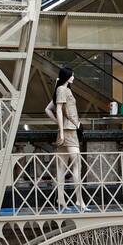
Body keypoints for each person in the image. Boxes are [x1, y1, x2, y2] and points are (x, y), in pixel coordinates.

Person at [44, 67, 85, 210]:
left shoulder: (62, 89)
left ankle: (61, 200)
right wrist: (61, 130)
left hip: (66, 130)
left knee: (61, 168)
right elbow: (59, 110)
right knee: (76, 165)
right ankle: (79, 201)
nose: (73, 77)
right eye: (72, 75)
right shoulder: (62, 89)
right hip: (69, 131)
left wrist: (58, 126)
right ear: (67, 76)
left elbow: (48, 109)